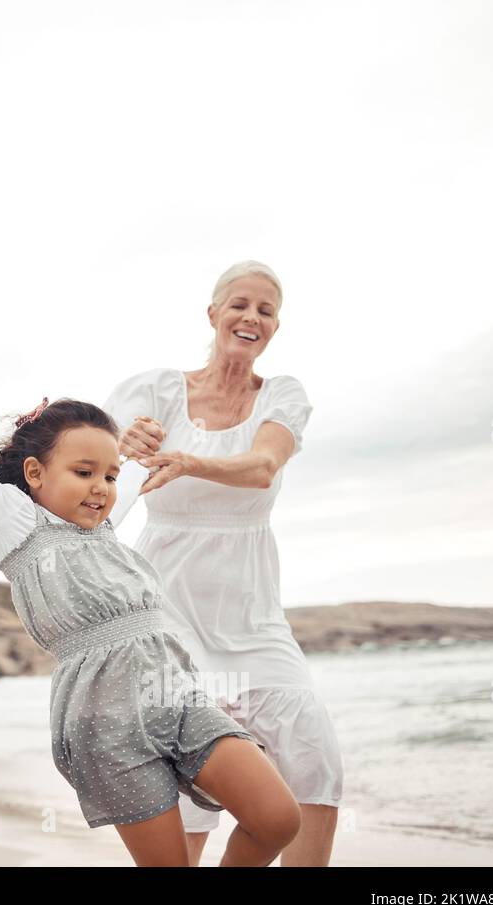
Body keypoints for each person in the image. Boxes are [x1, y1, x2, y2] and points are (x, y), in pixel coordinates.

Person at [0, 323, 301, 865]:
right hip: (104, 720)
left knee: (279, 818)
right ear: (35, 473)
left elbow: (131, 488)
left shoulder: (104, 527)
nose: (101, 487)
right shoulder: (16, 523)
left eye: (111, 476)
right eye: (84, 472)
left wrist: (139, 447)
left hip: (179, 698)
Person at [102, 260, 343, 866]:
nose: (250, 317)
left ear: (275, 327)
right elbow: (100, 455)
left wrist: (189, 462)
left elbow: (263, 466)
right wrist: (124, 442)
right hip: (168, 613)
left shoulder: (282, 395)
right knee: (193, 782)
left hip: (252, 613)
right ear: (213, 315)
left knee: (311, 749)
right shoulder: (157, 389)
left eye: (265, 310)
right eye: (239, 305)